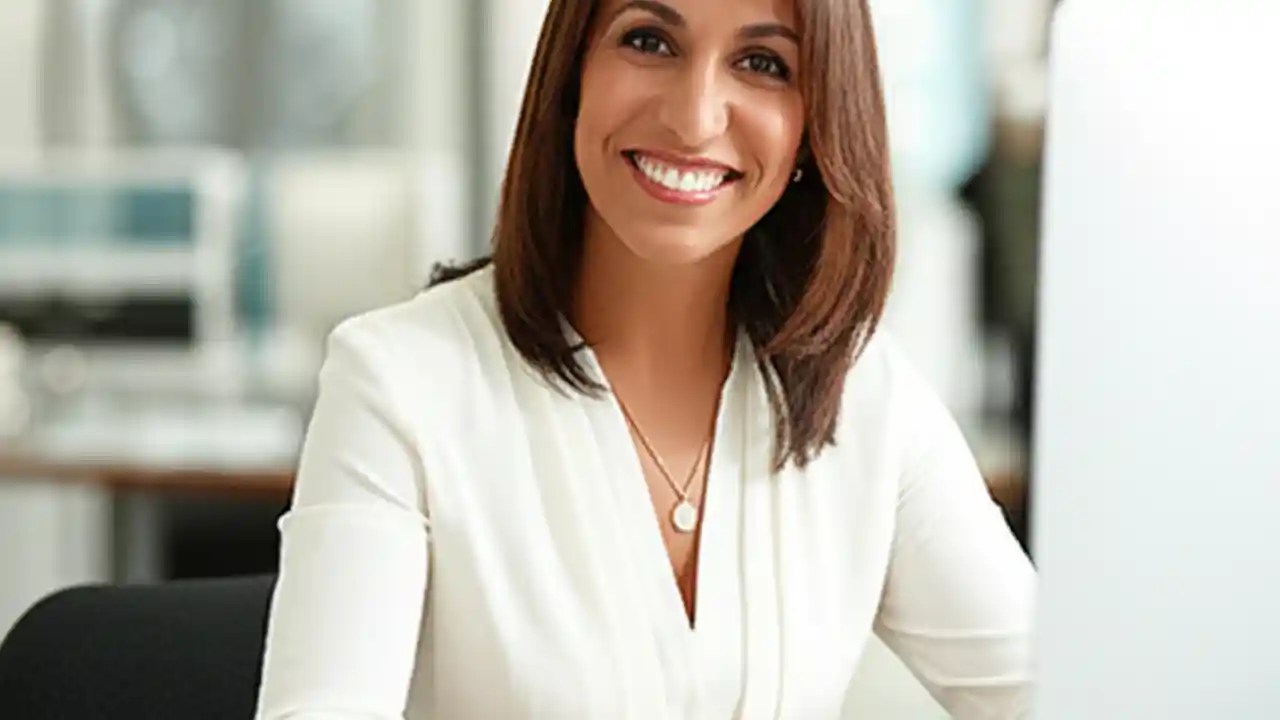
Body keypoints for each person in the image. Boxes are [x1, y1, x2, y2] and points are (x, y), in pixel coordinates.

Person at [253, 0, 1036, 717]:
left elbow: (1052, 692)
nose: (694, 119)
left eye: (763, 63)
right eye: (650, 42)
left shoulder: (864, 396)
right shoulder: (399, 381)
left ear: (816, 123)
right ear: (573, 75)